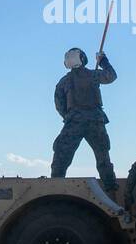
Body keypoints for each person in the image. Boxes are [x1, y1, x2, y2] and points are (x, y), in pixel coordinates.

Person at [51, 47, 118, 198]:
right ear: (82, 59)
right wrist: (103, 61)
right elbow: (111, 76)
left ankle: (53, 189)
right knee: (103, 158)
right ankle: (112, 192)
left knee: (61, 156)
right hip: (95, 120)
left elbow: (59, 104)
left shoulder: (64, 81)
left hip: (75, 121)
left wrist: (70, 116)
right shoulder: (93, 75)